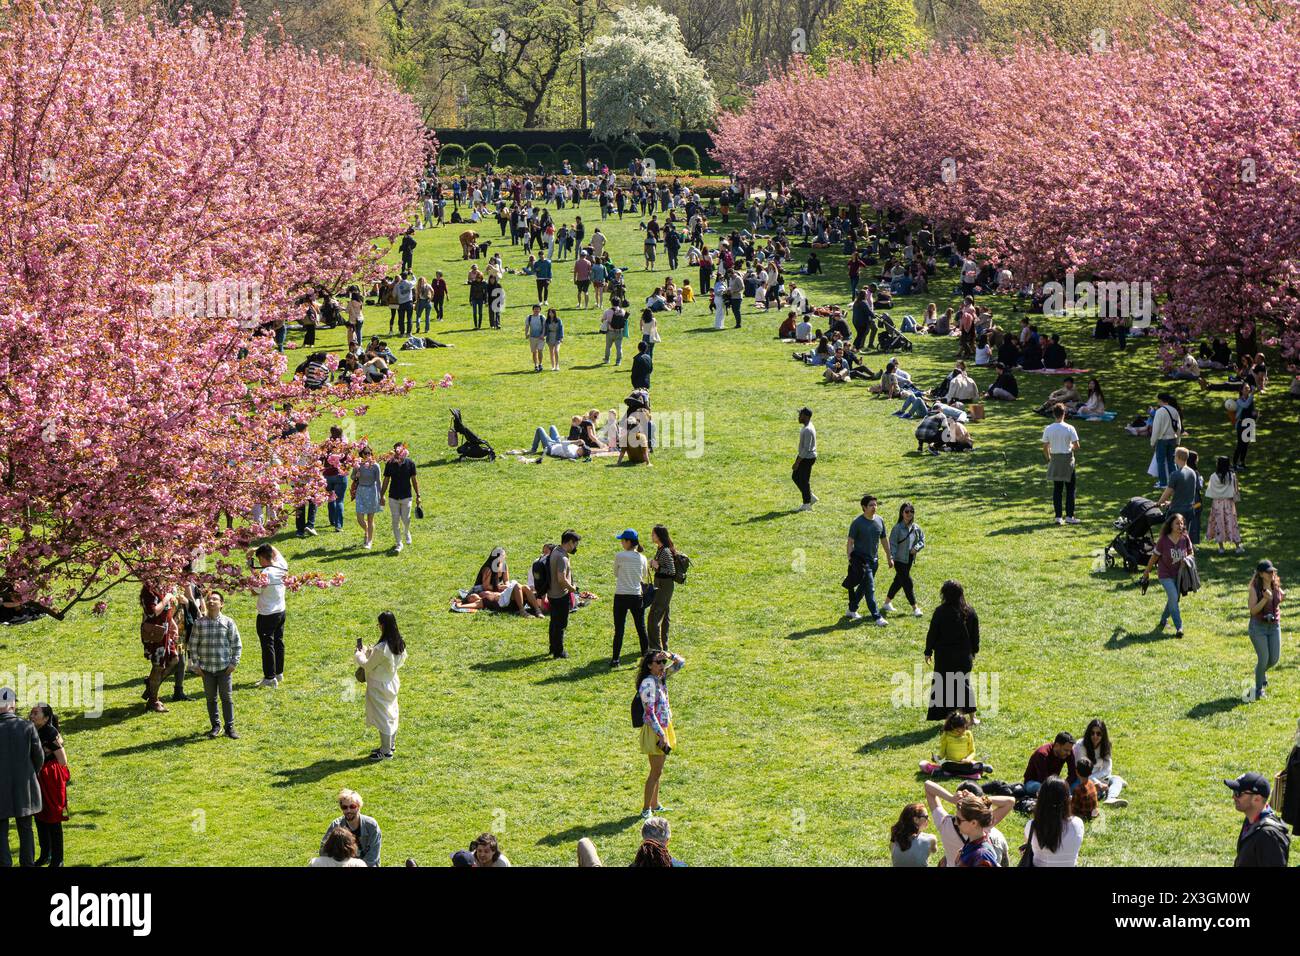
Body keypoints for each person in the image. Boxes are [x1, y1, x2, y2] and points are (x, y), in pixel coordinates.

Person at [637, 649, 685, 820]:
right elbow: (649, 713)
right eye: (658, 662)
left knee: (658, 771)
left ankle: (654, 805)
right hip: (655, 731)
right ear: (649, 665)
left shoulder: (660, 677)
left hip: (663, 727)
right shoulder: (648, 684)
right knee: (655, 772)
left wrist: (669, 655)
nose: (662, 666)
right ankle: (645, 809)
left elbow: (680, 663)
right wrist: (661, 735)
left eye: (663, 662)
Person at [189, 589, 242, 739]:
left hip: (224, 669)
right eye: (209, 599)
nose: (211, 602)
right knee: (211, 699)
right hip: (206, 670)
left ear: (222, 604)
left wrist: (233, 663)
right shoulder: (199, 624)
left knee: (227, 698)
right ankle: (215, 726)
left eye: (215, 600)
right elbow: (192, 646)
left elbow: (237, 645)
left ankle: (229, 728)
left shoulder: (228, 622)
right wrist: (196, 665)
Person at [925, 581, 980, 722]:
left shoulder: (940, 611)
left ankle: (949, 718)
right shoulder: (969, 611)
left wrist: (928, 651)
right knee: (963, 685)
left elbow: (933, 632)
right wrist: (974, 651)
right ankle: (972, 718)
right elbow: (975, 634)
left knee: (943, 686)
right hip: (963, 655)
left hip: (944, 656)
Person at [0, 687, 43, 867]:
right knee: (26, 829)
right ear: (13, 704)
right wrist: (30, 774)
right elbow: (38, 757)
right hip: (24, 786)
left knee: (1, 832)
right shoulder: (27, 726)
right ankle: (27, 864)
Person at [356, 611, 407, 760]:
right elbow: (392, 662)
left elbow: (367, 665)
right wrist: (371, 652)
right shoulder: (399, 642)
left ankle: (386, 752)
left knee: (383, 717)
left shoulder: (382, 647)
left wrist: (359, 654)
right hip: (391, 681)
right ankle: (390, 745)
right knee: (392, 713)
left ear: (383, 625)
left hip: (379, 685)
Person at [1142, 511, 1193, 639]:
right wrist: (1146, 572)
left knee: (1173, 599)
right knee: (1174, 597)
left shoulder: (1185, 538)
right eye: (1177, 523)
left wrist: (1186, 559)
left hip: (1179, 575)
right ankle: (1179, 627)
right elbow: (1154, 557)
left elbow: (1191, 553)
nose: (1180, 526)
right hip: (1165, 574)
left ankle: (1163, 620)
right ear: (1171, 525)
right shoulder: (1163, 540)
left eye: (1182, 523)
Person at [29, 703, 67, 867]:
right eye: (32, 712)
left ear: (45, 718)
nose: (32, 715)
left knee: (52, 817)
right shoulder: (31, 729)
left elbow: (63, 761)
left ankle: (58, 859)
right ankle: (45, 854)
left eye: (36, 713)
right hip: (36, 777)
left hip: (50, 779)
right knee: (39, 816)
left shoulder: (50, 732)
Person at [1225, 772, 1290, 866]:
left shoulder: (1269, 835)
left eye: (1238, 793)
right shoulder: (1251, 821)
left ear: (1257, 799)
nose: (1233, 797)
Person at [845, 495, 891, 625]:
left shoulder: (880, 520)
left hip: (874, 561)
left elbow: (883, 540)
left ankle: (851, 609)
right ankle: (877, 617)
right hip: (862, 562)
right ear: (864, 507)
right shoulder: (857, 523)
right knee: (870, 589)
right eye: (871, 505)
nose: (874, 507)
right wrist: (850, 558)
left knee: (864, 587)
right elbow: (850, 542)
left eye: (875, 505)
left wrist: (889, 557)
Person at [248, 544, 288, 687]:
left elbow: (254, 592)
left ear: (262, 558)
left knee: (267, 645)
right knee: (278, 642)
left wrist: (253, 574)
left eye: (259, 559)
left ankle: (270, 677)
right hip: (281, 611)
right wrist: (257, 548)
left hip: (267, 614)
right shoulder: (282, 565)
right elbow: (274, 549)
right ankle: (279, 672)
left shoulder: (265, 574)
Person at [1023, 778, 1084, 866]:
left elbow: (1028, 848)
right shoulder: (1078, 824)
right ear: (1068, 800)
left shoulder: (1032, 826)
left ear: (1040, 799)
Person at [140, 583, 181, 711]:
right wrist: (167, 597)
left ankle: (151, 685)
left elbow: (166, 610)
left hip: (166, 632)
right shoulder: (149, 590)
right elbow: (153, 613)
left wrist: (173, 624)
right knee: (158, 666)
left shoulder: (163, 588)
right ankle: (153, 701)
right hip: (155, 634)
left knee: (174, 659)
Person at [1246, 560, 1284, 701]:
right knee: (1264, 658)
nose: (1272, 574)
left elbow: (1279, 598)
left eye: (1273, 571)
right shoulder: (1254, 588)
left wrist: (1280, 595)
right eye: (1269, 572)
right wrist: (1264, 599)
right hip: (1258, 627)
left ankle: (1259, 672)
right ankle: (1258, 689)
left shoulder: (1275, 584)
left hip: (1274, 626)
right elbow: (1253, 610)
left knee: (1274, 659)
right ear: (1261, 574)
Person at [612, 529, 649, 668]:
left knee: (619, 629)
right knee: (641, 627)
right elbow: (644, 575)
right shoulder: (642, 558)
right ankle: (646, 658)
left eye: (622, 540)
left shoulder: (620, 556)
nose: (621, 543)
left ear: (628, 542)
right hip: (636, 596)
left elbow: (616, 573)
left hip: (621, 595)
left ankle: (615, 659)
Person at [882, 502, 926, 618]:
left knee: (899, 580)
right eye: (906, 511)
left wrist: (916, 548)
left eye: (911, 511)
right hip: (899, 559)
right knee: (907, 582)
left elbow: (922, 540)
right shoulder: (897, 528)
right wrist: (891, 558)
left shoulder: (916, 528)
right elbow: (893, 545)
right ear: (902, 513)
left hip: (909, 559)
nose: (909, 514)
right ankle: (915, 608)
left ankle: (887, 603)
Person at [1041, 403, 1081, 525]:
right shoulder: (1070, 428)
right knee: (1070, 489)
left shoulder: (1048, 428)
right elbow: (1077, 445)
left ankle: (1058, 517)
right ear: (1064, 414)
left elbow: (1045, 447)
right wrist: (1070, 446)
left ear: (1054, 414)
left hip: (1055, 459)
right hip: (1067, 459)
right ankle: (1069, 515)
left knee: (1057, 489)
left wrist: (1049, 459)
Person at [321, 789, 382, 867]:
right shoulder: (336, 825)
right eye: (344, 807)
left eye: (352, 806)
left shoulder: (371, 826)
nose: (348, 810)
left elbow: (373, 856)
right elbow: (323, 851)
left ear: (359, 806)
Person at [1074, 718, 1127, 808]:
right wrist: (1096, 782)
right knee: (1089, 790)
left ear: (1103, 735)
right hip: (1084, 779)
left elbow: (1107, 768)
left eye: (1099, 734)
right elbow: (1081, 771)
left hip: (1100, 776)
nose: (1095, 736)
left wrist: (1098, 780)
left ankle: (1111, 798)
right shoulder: (1081, 745)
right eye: (1092, 733)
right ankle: (1102, 792)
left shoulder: (1106, 745)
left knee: (1116, 779)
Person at [379, 442, 421, 554]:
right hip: (393, 496)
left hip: (406, 496)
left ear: (403, 451)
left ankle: (406, 532)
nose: (397, 453)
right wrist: (381, 495)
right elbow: (386, 480)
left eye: (399, 451)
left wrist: (418, 495)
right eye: (396, 451)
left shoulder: (410, 463)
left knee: (406, 519)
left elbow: (414, 480)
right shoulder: (390, 464)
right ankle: (399, 543)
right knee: (395, 520)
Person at [547, 530, 581, 659]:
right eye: (575, 544)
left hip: (551, 593)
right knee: (560, 625)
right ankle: (559, 652)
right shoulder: (562, 557)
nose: (576, 547)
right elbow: (561, 579)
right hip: (560, 595)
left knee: (554, 622)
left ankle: (552, 647)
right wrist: (572, 588)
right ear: (570, 542)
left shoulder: (555, 550)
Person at [1156, 446, 1198, 543]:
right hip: (1189, 510)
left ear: (1178, 457)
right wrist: (1171, 502)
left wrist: (1159, 503)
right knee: (1184, 536)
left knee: (1166, 536)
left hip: (1176, 512)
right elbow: (1185, 492)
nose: (1174, 458)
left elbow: (1168, 492)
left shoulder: (1175, 474)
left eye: (1175, 456)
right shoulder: (1192, 473)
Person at [646, 525, 679, 651]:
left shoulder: (664, 551)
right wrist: (655, 566)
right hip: (661, 584)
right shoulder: (661, 549)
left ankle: (655, 647)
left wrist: (657, 567)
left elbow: (671, 571)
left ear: (659, 536)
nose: (651, 536)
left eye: (653, 534)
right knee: (664, 616)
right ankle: (663, 645)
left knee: (654, 615)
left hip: (664, 585)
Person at [349, 445, 382, 550]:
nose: (368, 455)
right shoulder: (357, 465)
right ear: (361, 455)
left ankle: (369, 541)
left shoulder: (375, 466)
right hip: (361, 491)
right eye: (366, 453)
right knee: (359, 518)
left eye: (369, 453)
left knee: (370, 518)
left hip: (372, 491)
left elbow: (378, 481)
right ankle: (367, 531)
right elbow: (352, 477)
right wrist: (356, 476)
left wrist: (381, 495)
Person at [1148, 393, 1182, 489]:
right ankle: (1173, 482)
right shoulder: (1174, 410)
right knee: (1172, 461)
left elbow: (1156, 429)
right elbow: (1179, 427)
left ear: (1161, 400)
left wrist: (1152, 441)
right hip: (1173, 439)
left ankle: (1163, 483)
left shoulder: (1160, 411)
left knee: (1161, 462)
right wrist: (1178, 440)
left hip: (1162, 439)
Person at [793, 406, 817, 511]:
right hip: (806, 457)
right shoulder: (807, 426)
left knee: (803, 479)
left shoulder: (808, 430)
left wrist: (797, 462)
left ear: (806, 416)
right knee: (796, 476)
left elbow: (806, 449)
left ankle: (807, 503)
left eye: (801, 415)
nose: (799, 416)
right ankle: (810, 496)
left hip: (807, 458)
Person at [1232, 381, 1256, 470]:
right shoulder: (1239, 401)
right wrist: (1252, 394)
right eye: (1246, 388)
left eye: (1248, 388)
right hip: (1242, 424)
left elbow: (1251, 409)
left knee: (1246, 445)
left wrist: (1254, 413)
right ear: (1241, 390)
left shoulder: (1250, 399)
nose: (1248, 389)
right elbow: (1245, 406)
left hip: (1250, 423)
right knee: (1240, 444)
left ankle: (1242, 463)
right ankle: (1234, 463)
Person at [524, 303, 546, 372]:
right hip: (532, 337)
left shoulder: (542, 317)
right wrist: (526, 333)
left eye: (538, 309)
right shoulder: (529, 317)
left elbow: (545, 327)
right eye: (535, 309)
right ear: (533, 310)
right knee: (534, 352)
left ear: (540, 310)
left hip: (540, 337)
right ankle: (536, 365)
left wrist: (543, 335)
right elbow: (527, 326)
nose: (536, 310)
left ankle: (540, 364)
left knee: (540, 350)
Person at [543, 307, 564, 372]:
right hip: (550, 337)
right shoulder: (547, 321)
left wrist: (562, 337)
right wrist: (543, 336)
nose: (551, 314)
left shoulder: (558, 320)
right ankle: (553, 366)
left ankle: (557, 365)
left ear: (554, 313)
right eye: (550, 312)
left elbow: (561, 329)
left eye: (552, 312)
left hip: (557, 337)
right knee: (551, 352)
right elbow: (545, 330)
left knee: (556, 351)